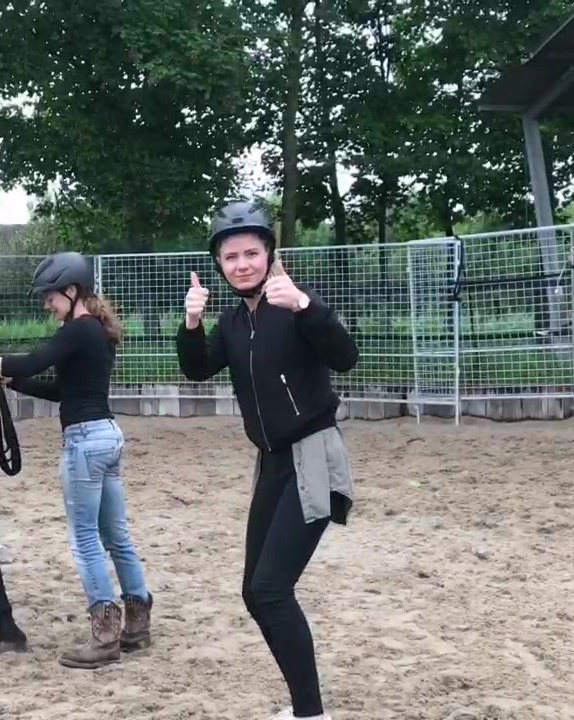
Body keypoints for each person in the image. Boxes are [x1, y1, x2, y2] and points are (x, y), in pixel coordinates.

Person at [176, 200, 358, 720]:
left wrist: (306, 306)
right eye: (230, 256)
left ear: (269, 253)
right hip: (272, 463)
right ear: (219, 264)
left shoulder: (294, 304)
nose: (241, 264)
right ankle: (306, 707)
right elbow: (197, 370)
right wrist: (192, 321)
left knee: (272, 589)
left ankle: (311, 715)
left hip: (315, 457)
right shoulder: (234, 321)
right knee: (255, 592)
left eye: (251, 253)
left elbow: (345, 356)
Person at [0, 251, 153, 670]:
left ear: (72, 292)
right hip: (108, 437)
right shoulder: (98, 334)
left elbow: (30, 360)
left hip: (84, 444)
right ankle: (137, 623)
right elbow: (62, 391)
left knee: (87, 540)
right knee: (117, 537)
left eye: (50, 296)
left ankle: (105, 634)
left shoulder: (78, 330)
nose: (46, 304)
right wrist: (11, 380)